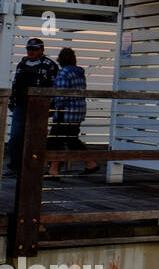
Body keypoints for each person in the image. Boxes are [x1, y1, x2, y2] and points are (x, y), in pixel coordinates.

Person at [7, 38, 60, 174]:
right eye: (29, 49)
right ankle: (15, 166)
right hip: (20, 106)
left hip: (39, 108)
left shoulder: (50, 65)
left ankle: (34, 168)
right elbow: (15, 83)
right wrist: (12, 102)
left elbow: (55, 88)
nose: (31, 52)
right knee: (15, 137)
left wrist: (50, 107)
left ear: (42, 50)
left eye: (35, 49)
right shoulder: (22, 63)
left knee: (36, 138)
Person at [49, 47, 95, 177]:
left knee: (55, 140)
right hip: (78, 112)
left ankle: (54, 169)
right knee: (71, 140)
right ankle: (90, 163)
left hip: (65, 113)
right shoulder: (80, 73)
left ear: (60, 60)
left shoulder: (63, 73)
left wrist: (54, 107)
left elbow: (61, 95)